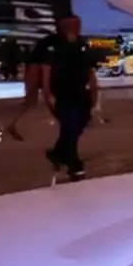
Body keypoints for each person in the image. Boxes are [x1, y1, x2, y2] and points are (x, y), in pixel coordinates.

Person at [41, 16, 98, 181]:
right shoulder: (53, 47)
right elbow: (47, 72)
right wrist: (47, 94)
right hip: (64, 94)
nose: (77, 27)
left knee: (77, 127)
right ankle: (74, 164)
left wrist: (94, 88)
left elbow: (89, 69)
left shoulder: (82, 44)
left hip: (81, 93)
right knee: (70, 126)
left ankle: (58, 153)